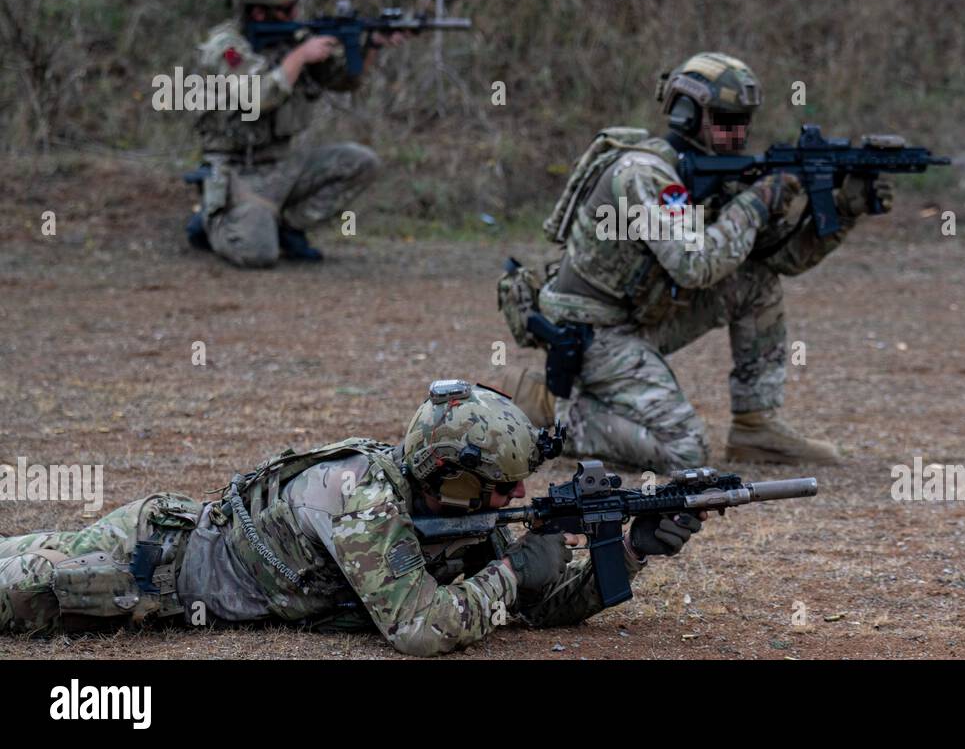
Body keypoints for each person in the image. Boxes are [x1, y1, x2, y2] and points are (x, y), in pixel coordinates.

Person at [0, 381, 703, 656]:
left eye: (512, 489)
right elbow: (419, 629)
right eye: (492, 489)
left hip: (177, 567)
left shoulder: (454, 508)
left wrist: (632, 551)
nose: (506, 505)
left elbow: (529, 609)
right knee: (18, 588)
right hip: (155, 564)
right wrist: (512, 574)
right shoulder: (363, 498)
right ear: (446, 476)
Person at [507, 52, 895, 471]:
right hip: (593, 332)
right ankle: (550, 411)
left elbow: (781, 260)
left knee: (756, 283)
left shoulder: (711, 175)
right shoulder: (643, 173)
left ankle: (755, 426)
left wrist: (845, 211)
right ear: (688, 115)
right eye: (726, 121)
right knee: (685, 451)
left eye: (744, 121)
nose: (738, 134)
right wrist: (755, 204)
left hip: (639, 316)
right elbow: (695, 265)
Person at [186, 0, 399, 267]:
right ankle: (212, 223)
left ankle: (287, 226)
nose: (296, 15)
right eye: (287, 10)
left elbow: (343, 81)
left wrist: (370, 44)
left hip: (282, 163)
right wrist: (300, 57)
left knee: (360, 162)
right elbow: (256, 97)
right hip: (239, 170)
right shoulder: (227, 49)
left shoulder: (293, 40)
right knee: (256, 254)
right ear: (258, 12)